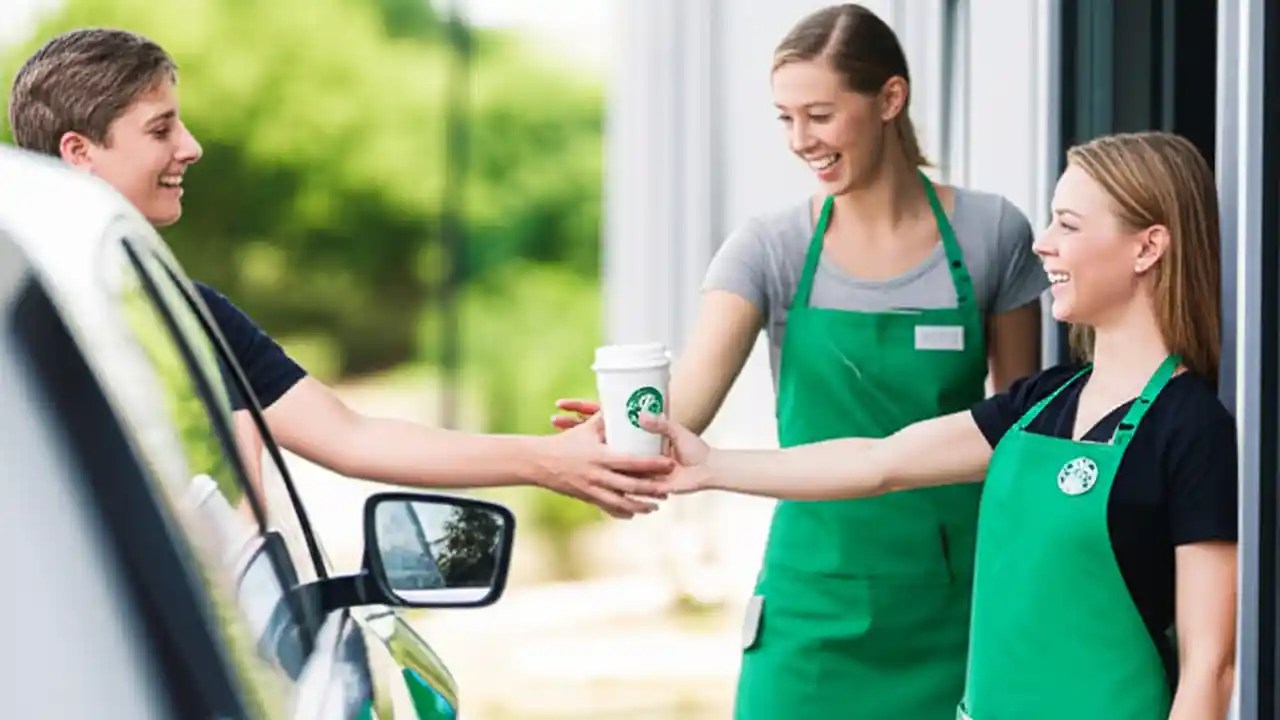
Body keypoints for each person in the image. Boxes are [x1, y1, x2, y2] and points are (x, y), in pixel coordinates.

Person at [639, 131, 1238, 720]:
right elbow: (879, 463)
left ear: (1147, 247)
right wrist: (711, 465)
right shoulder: (1039, 403)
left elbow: (1211, 667)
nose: (1042, 245)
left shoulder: (1191, 429)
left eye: (1069, 225)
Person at [554, 4, 1046, 716]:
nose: (799, 140)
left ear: (889, 99)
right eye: (784, 118)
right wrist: (626, 434)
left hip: (957, 601)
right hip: (812, 599)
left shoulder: (990, 233)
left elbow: (1021, 435)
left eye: (818, 114)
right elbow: (686, 402)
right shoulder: (770, 248)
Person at [8, 28, 671, 518]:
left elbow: (353, 436)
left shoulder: (188, 317)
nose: (191, 147)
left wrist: (550, 460)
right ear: (80, 152)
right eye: (161, 130)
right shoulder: (25, 324)